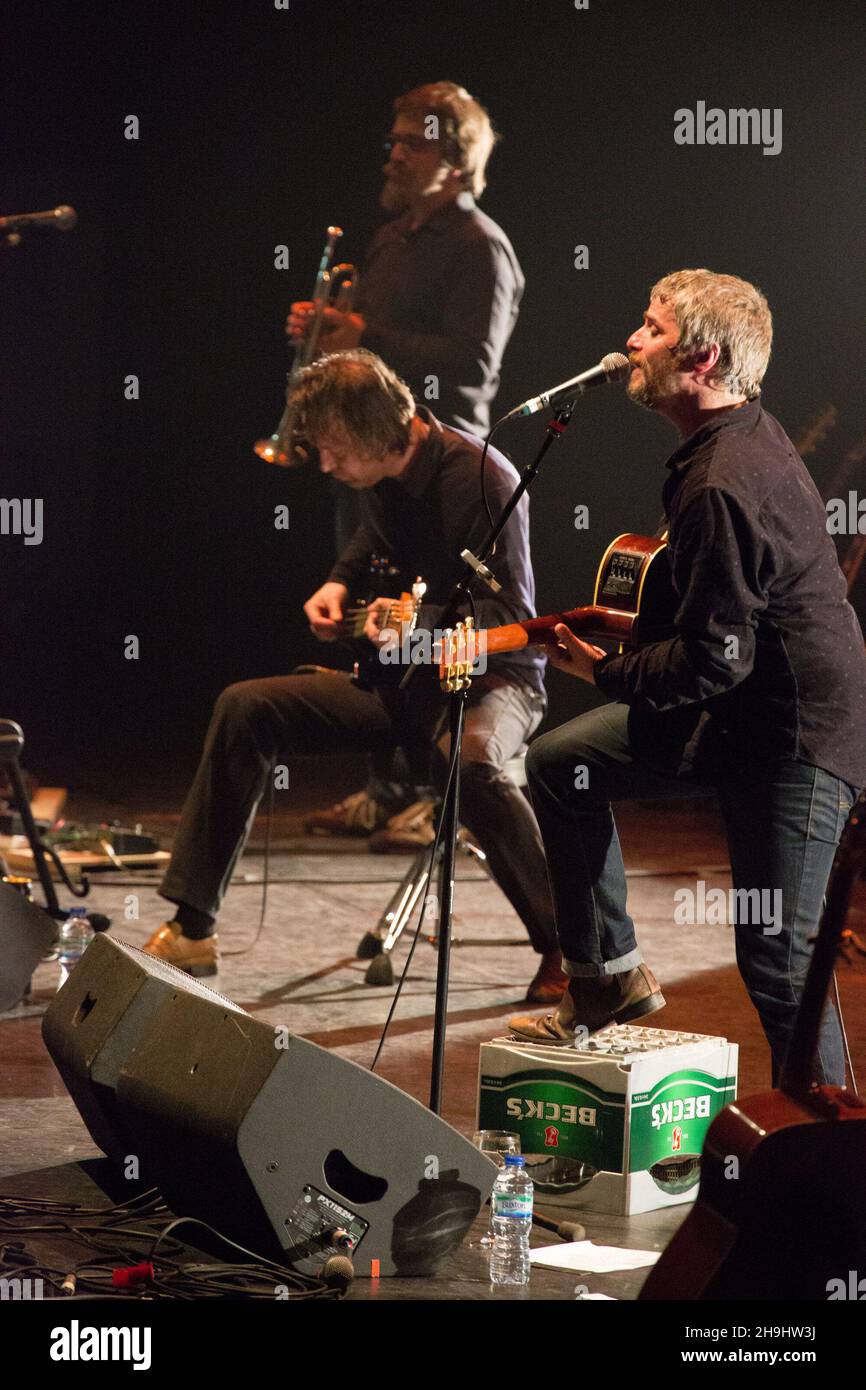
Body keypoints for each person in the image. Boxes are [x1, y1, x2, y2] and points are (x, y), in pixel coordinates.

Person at [508, 270, 866, 1086]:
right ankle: (606, 980)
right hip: (736, 707)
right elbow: (722, 622)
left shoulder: (721, 483)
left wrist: (609, 673)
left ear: (702, 357)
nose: (631, 343)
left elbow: (716, 658)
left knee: (779, 961)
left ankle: (832, 1162)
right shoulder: (724, 445)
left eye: (651, 329)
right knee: (561, 765)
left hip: (795, 734)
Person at [145, 349, 566, 1003]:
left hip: (494, 681)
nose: (326, 464)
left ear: (375, 432)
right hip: (404, 680)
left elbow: (511, 616)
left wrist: (411, 623)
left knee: (472, 761)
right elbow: (375, 538)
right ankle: (193, 927)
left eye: (333, 448)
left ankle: (569, 949)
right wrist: (339, 584)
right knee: (246, 706)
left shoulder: (482, 477)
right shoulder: (384, 476)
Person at [286, 82, 525, 845]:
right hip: (372, 461)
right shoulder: (391, 241)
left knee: (441, 626)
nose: (391, 153)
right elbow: (367, 347)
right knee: (374, 622)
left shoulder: (481, 246)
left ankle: (442, 794)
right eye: (391, 140)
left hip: (440, 464)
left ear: (455, 164)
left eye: (410, 142)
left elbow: (472, 365)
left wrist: (365, 331)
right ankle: (387, 788)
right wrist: (331, 332)